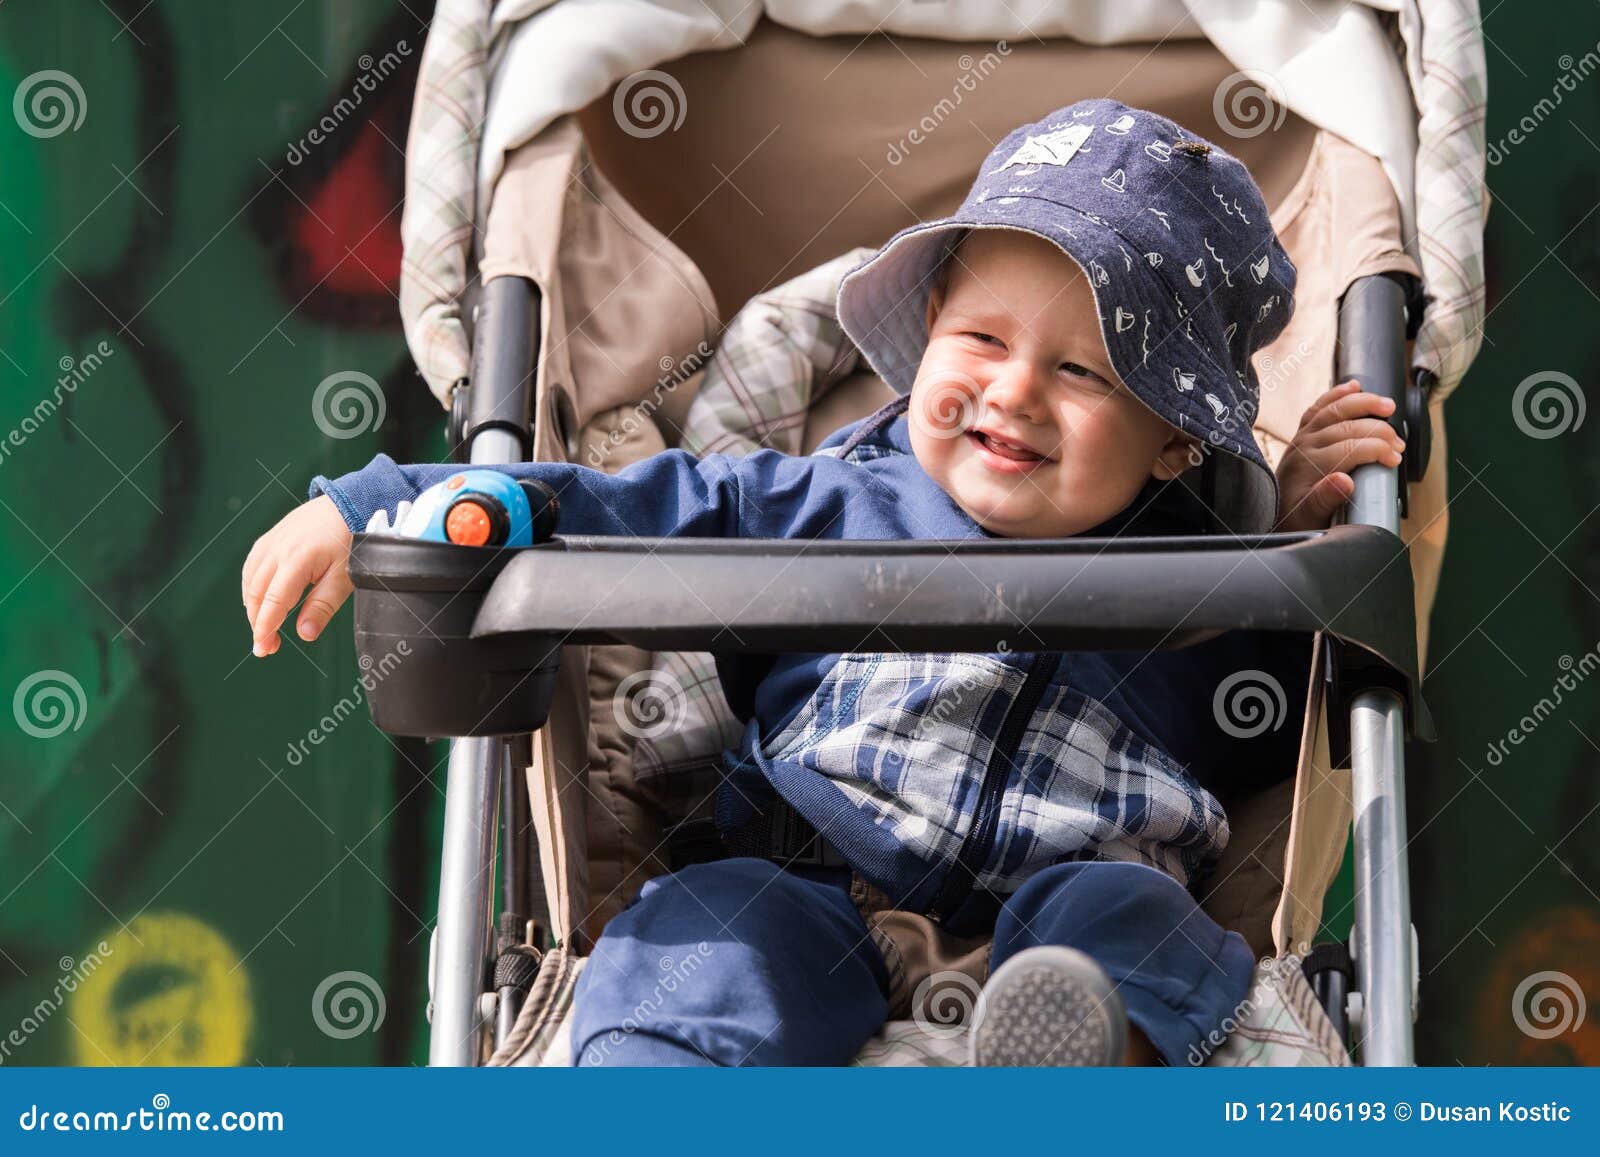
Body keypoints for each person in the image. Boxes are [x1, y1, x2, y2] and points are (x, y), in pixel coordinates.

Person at [241, 100, 1404, 1067]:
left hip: (1077, 886)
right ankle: (657, 1075)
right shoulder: (825, 496)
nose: (1010, 394)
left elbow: (1259, 747)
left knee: (1134, 927)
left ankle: (1092, 1066)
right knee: (699, 941)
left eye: (1082, 372)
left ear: (1171, 441)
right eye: (981, 341)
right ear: (924, 331)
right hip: (810, 870)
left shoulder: (1196, 567)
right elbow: (626, 502)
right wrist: (397, 500)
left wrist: (1284, 555)